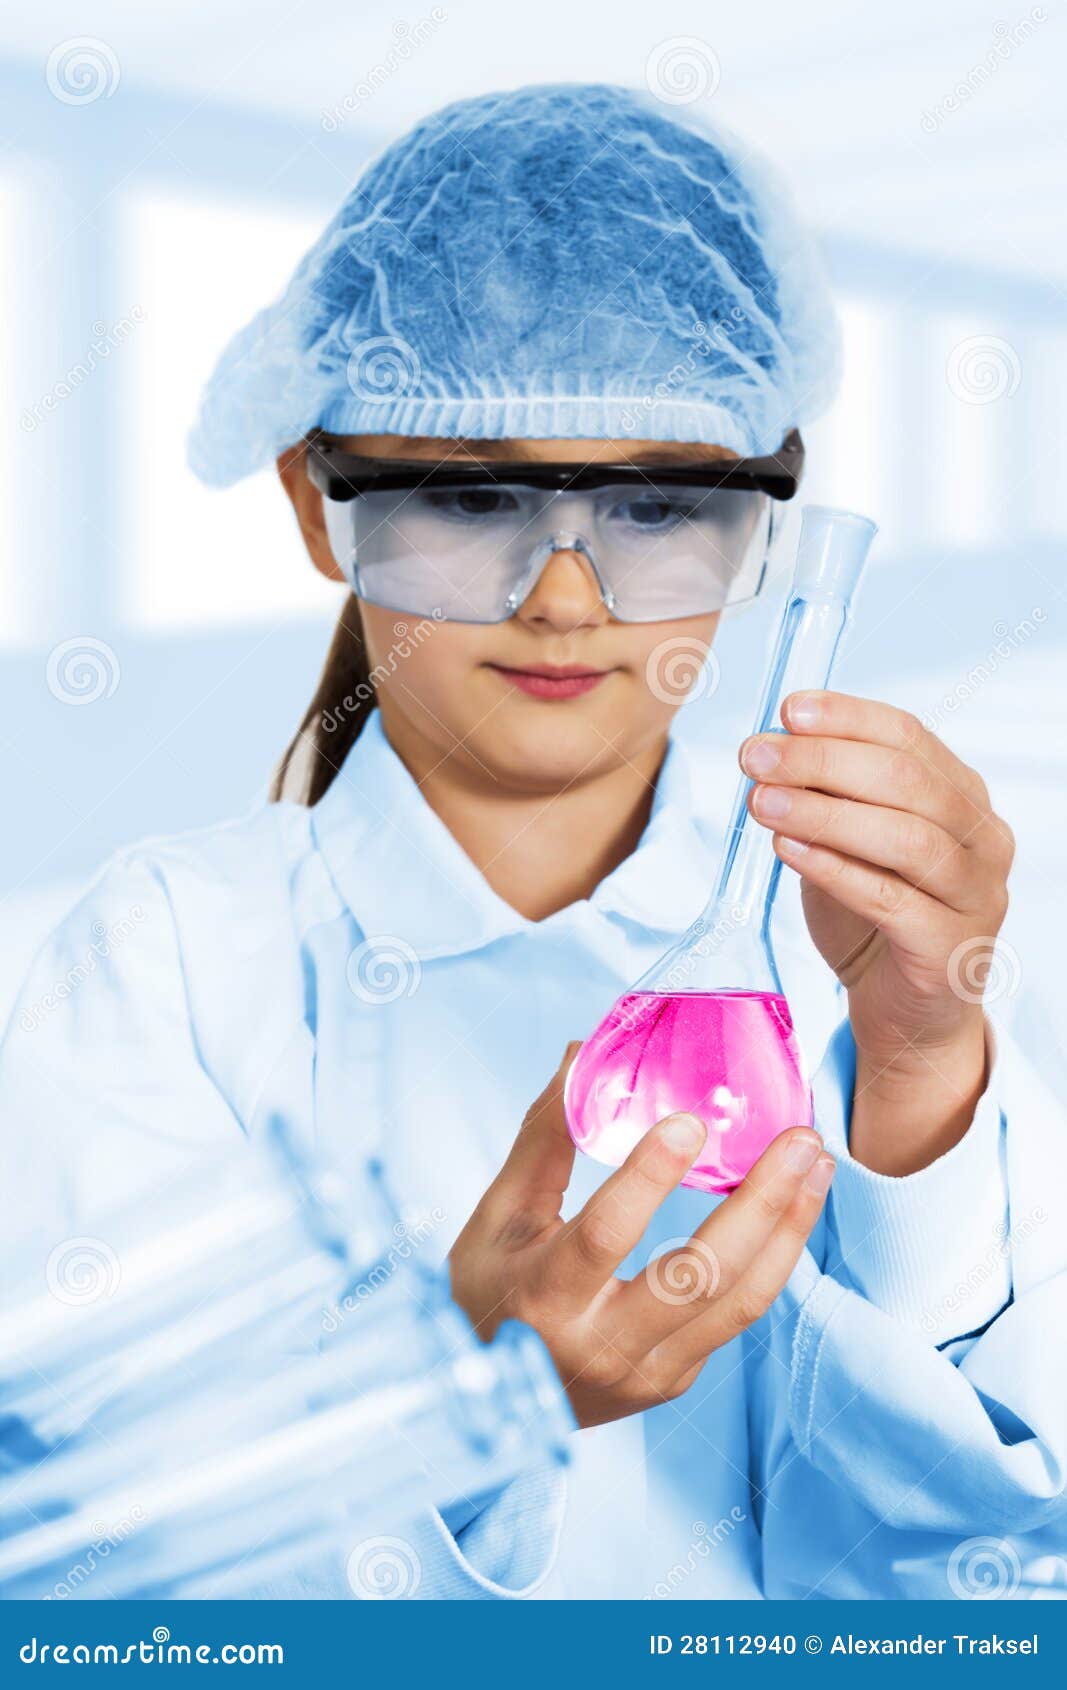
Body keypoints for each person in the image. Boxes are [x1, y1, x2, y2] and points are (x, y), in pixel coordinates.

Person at [2, 84, 1064, 1601]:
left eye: (653, 505)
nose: (563, 595)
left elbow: (989, 1585)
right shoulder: (169, 963)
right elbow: (98, 1584)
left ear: (764, 511)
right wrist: (454, 1414)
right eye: (475, 492)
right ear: (321, 505)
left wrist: (915, 1075)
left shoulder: (867, 950)